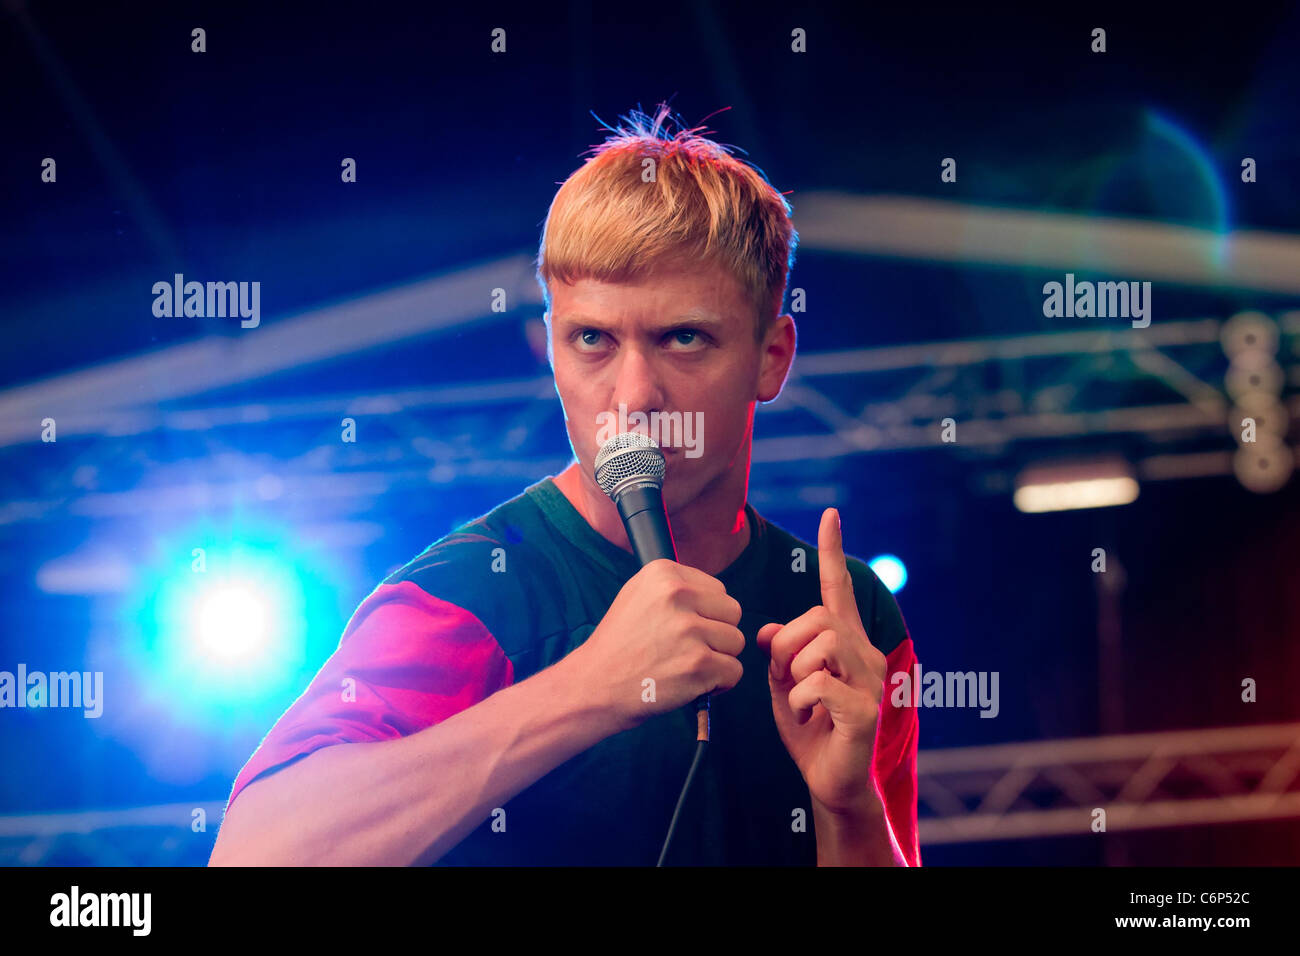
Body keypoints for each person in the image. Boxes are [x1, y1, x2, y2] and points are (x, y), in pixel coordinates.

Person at [209, 104, 920, 866]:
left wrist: (847, 811)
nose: (633, 395)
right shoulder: (472, 594)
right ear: (551, 348)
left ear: (772, 356)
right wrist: (591, 687)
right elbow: (254, 854)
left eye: (684, 337)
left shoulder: (847, 613)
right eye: (593, 340)